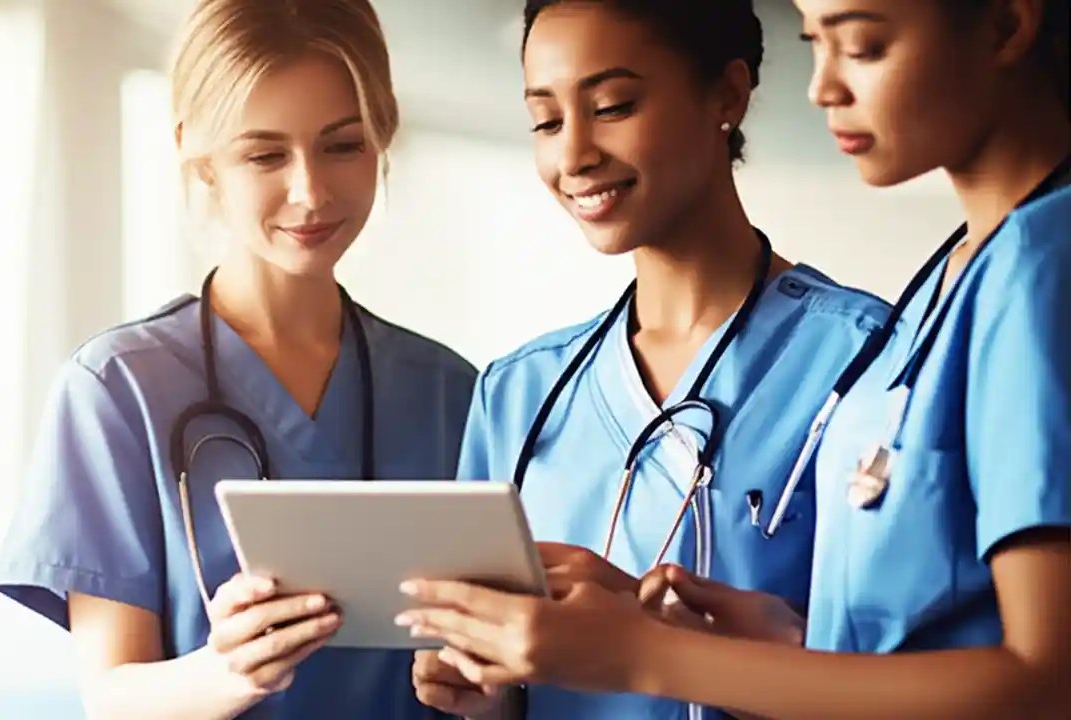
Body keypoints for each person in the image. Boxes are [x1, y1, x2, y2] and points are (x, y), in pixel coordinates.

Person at [397, 0, 1071, 718]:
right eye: (544, 120)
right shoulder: (518, 393)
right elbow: (880, 635)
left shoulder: (917, 327)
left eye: (615, 105)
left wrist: (651, 654)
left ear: (728, 93)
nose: (573, 153)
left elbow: (1038, 676)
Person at [0, 1, 476, 718]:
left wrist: (489, 697)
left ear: (383, 134)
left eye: (342, 145)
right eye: (265, 154)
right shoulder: (118, 388)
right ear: (199, 152)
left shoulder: (453, 392)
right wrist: (230, 672)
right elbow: (112, 698)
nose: (310, 191)